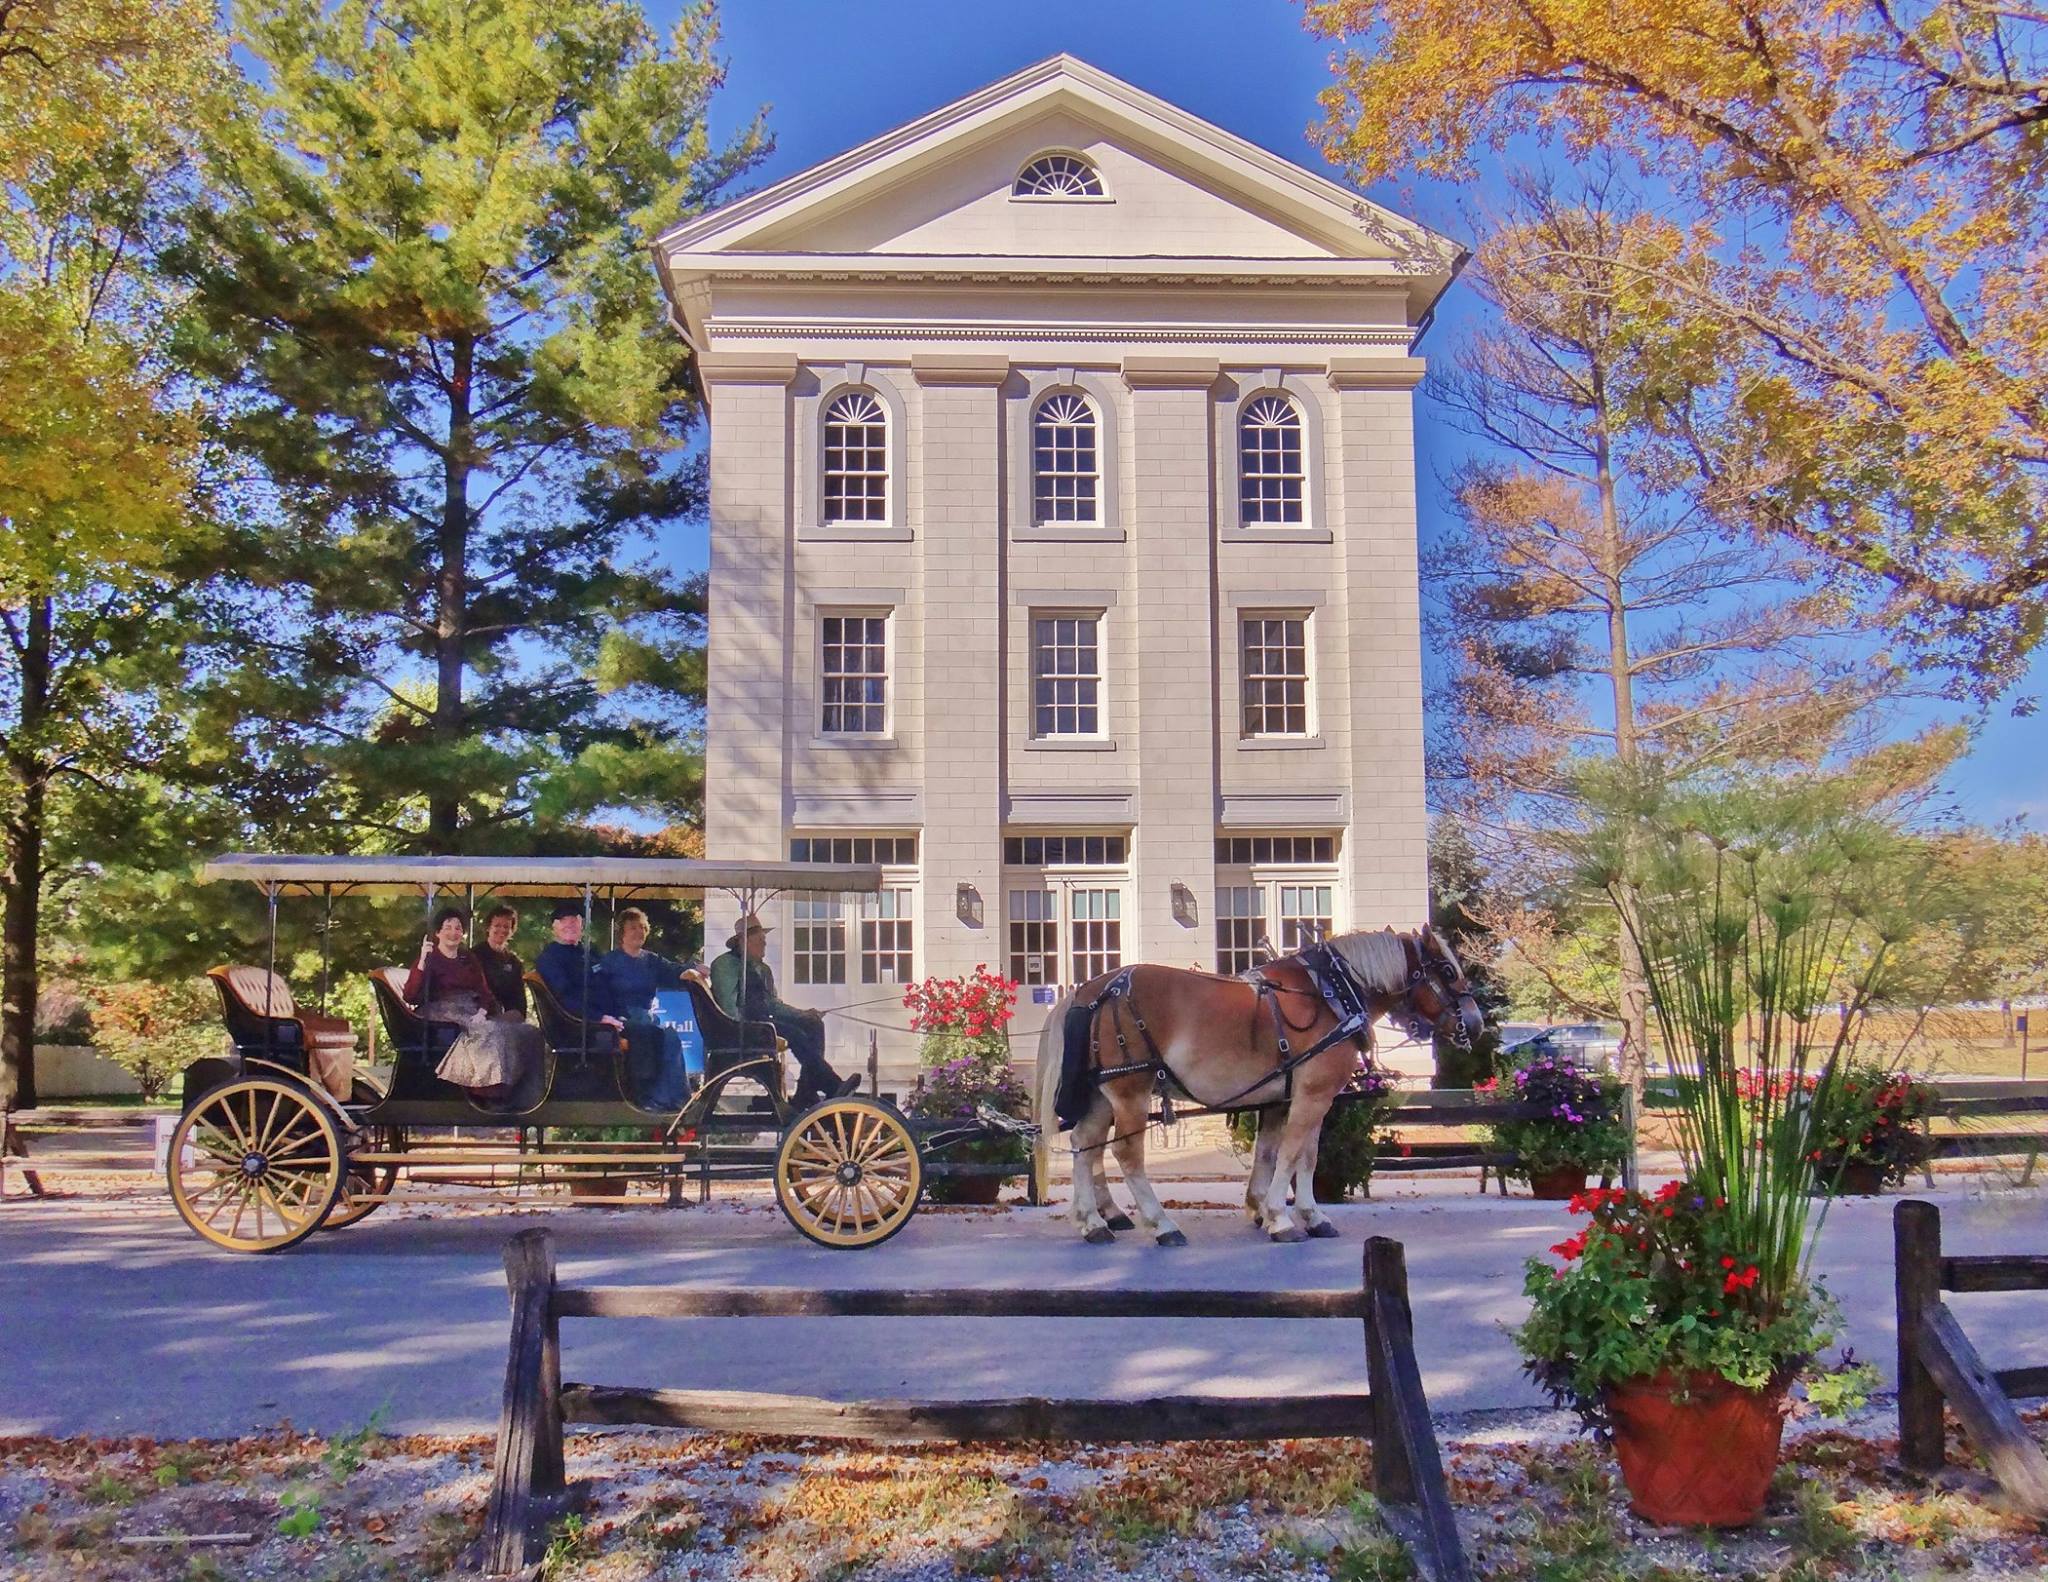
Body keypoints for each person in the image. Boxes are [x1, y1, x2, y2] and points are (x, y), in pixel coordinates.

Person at [709, 913, 860, 1109]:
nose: (765, 945)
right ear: (744, 941)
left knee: (813, 1023)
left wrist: (803, 1014)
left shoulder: (762, 970)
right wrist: (743, 1028)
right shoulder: (724, 965)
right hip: (739, 1029)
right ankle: (830, 1083)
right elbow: (728, 1007)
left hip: (763, 1022)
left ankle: (806, 1092)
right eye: (761, 941)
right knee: (795, 1034)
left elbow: (773, 1004)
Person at [403, 905, 544, 1108]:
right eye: (448, 927)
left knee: (524, 1032)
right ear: (437, 932)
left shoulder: (467, 957)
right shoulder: (430, 958)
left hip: (470, 1007)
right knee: (491, 1030)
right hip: (441, 1009)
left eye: (458, 928)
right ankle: (487, 1093)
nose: (453, 932)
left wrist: (483, 1009)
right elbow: (411, 995)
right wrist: (422, 961)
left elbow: (483, 989)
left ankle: (524, 1094)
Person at [597, 906, 691, 1110]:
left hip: (647, 1017)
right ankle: (646, 1097)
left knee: (671, 1037)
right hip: (621, 1018)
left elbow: (674, 970)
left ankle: (675, 1099)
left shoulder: (651, 960)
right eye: (633, 927)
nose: (639, 931)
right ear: (622, 932)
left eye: (642, 927)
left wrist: (694, 969)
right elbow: (599, 992)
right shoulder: (610, 961)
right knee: (643, 1035)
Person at [472, 903, 529, 1019]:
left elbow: (519, 999)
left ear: (512, 931)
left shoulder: (515, 963)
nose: (502, 930)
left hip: (507, 1019)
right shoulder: (474, 955)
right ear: (488, 927)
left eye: (506, 926)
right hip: (479, 1015)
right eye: (497, 925)